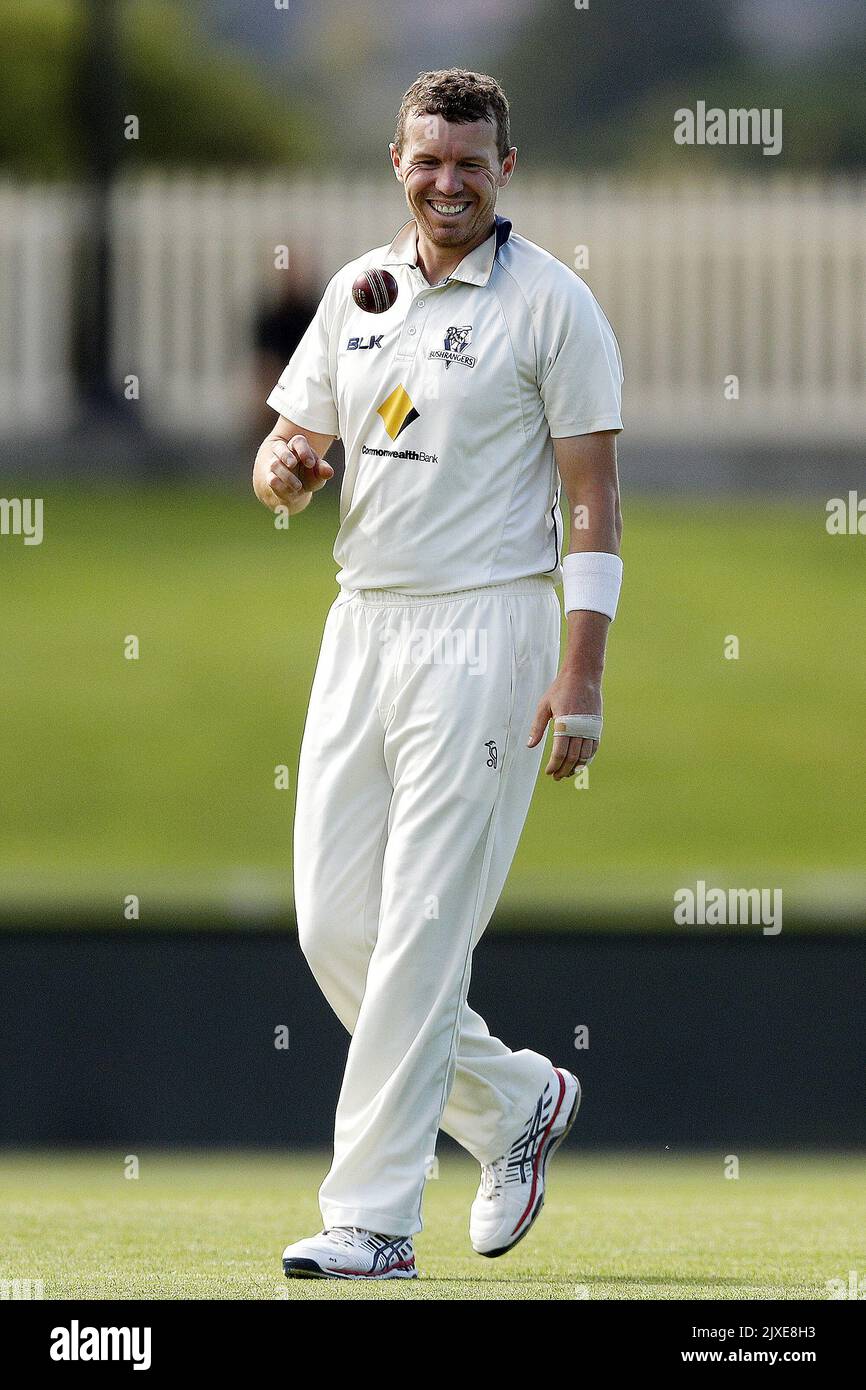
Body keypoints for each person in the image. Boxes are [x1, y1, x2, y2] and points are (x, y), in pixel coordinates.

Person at [252, 68, 624, 1282]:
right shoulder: (357, 296)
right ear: (396, 162)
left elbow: (592, 502)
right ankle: (514, 1099)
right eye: (427, 161)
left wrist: (580, 676)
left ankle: (370, 1219)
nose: (446, 182)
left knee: (418, 932)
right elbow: (288, 447)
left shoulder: (552, 306)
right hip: (362, 626)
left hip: (488, 630)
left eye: (469, 162)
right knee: (334, 928)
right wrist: (286, 473)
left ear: (503, 168)